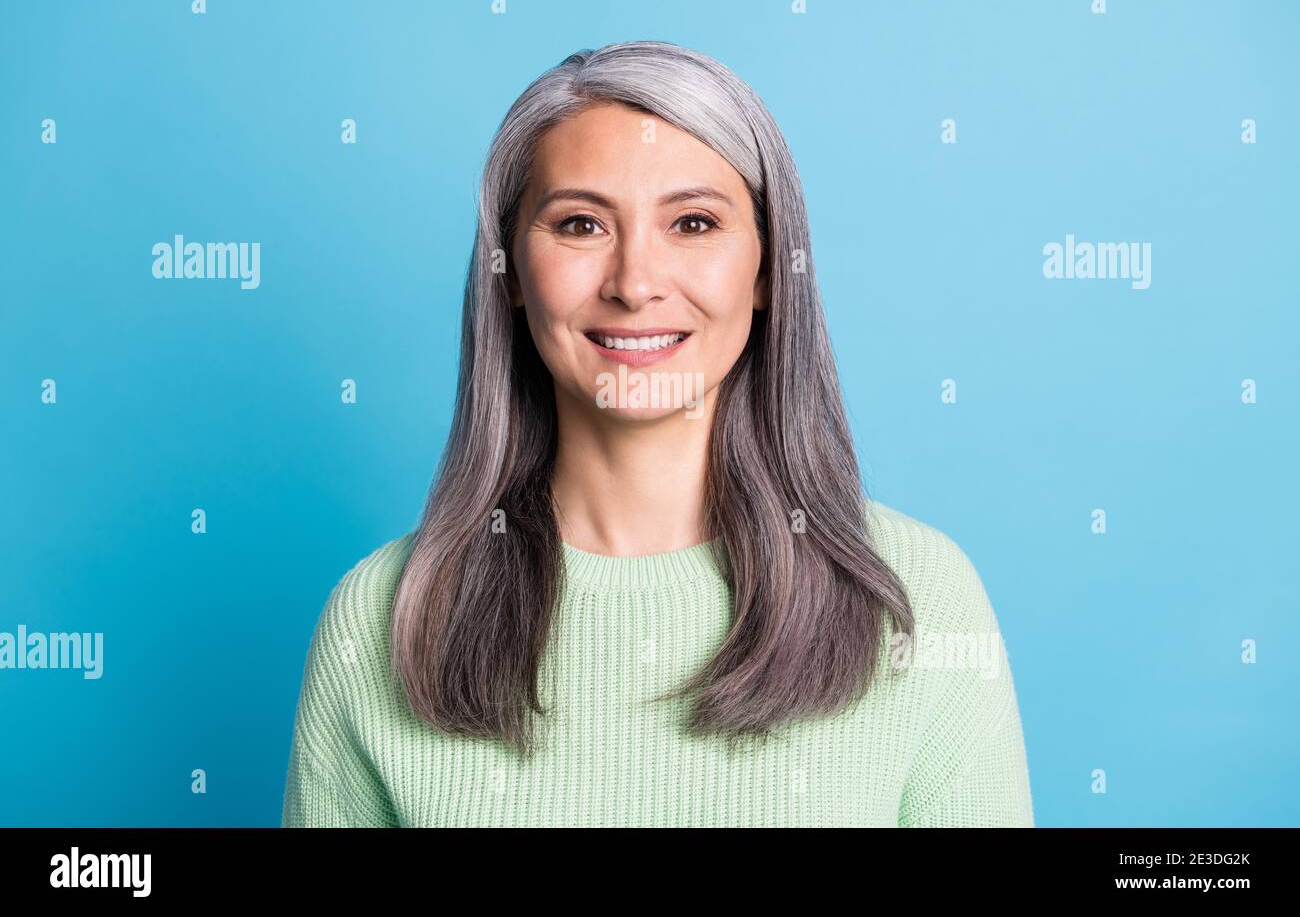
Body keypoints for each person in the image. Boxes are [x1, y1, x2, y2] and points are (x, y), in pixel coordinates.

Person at [281, 40, 1033, 827]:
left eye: (694, 222)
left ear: (771, 268)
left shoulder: (918, 600)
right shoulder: (379, 620)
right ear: (508, 272)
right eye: (580, 224)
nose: (636, 283)